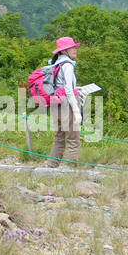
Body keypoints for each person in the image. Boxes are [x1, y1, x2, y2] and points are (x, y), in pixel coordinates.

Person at [48, 36, 85, 166]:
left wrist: (76, 88)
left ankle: (51, 166)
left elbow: (60, 85)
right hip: (66, 105)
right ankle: (69, 170)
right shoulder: (68, 65)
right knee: (73, 139)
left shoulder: (55, 64)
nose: (75, 49)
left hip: (55, 104)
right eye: (71, 48)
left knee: (59, 138)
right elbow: (68, 90)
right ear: (64, 51)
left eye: (75, 47)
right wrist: (76, 111)